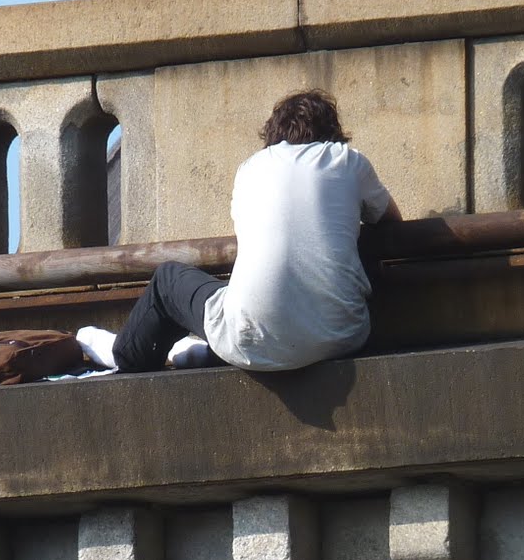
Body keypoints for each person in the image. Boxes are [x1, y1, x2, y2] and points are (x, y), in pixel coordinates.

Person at [111, 89, 402, 374]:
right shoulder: (349, 160)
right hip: (344, 337)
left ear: (274, 133)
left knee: (168, 278)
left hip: (251, 344)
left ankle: (127, 359)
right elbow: (390, 219)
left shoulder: (250, 168)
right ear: (332, 131)